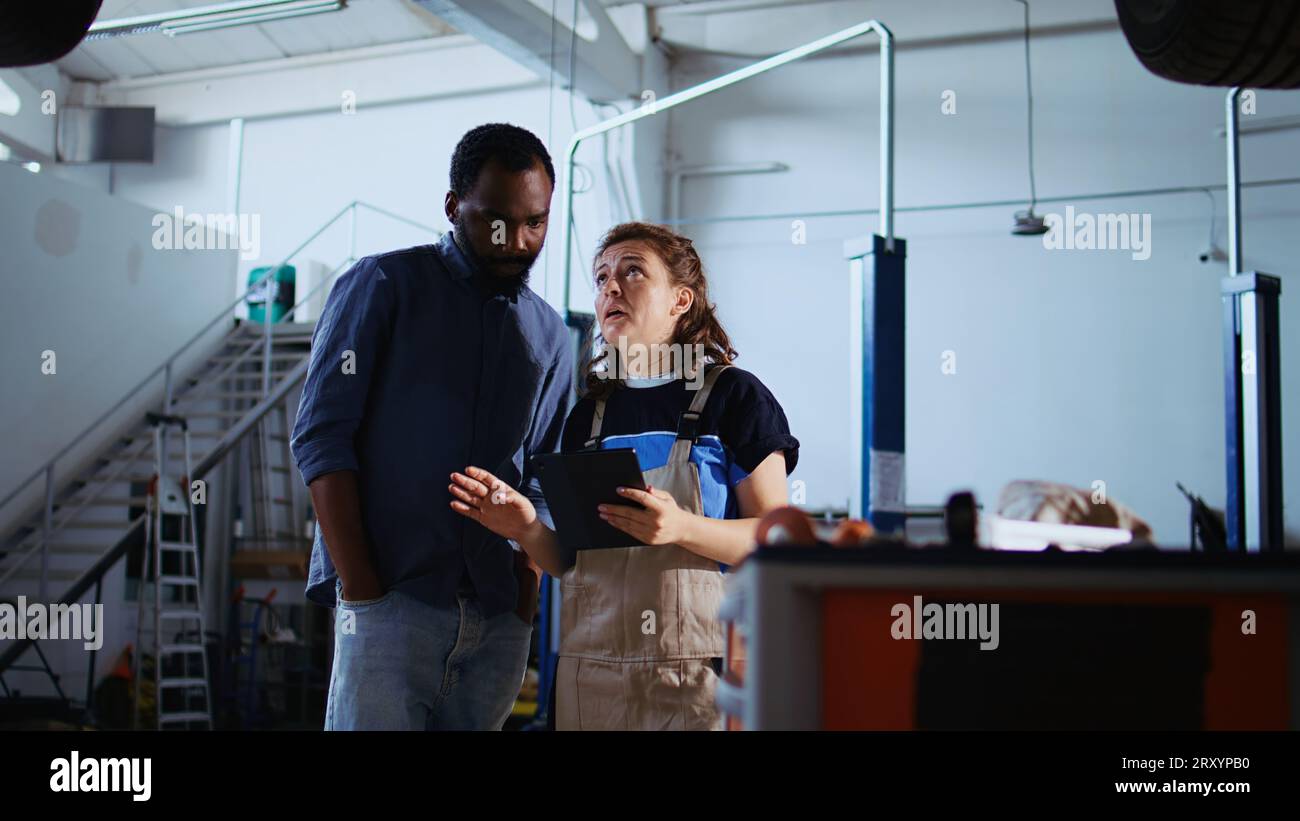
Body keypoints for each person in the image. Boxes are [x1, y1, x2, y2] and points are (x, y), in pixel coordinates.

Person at [450, 221, 798, 730]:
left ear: (682, 300)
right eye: (601, 277)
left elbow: (779, 542)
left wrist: (683, 529)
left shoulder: (734, 399)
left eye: (633, 271)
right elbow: (573, 564)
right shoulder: (589, 418)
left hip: (702, 681)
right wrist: (526, 528)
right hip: (593, 681)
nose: (611, 286)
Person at [291, 123, 572, 730]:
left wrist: (524, 604)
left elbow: (545, 478)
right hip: (390, 606)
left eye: (536, 223)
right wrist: (364, 592)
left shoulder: (550, 336)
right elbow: (321, 437)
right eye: (496, 220)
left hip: (498, 621)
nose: (516, 241)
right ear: (453, 207)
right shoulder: (383, 285)